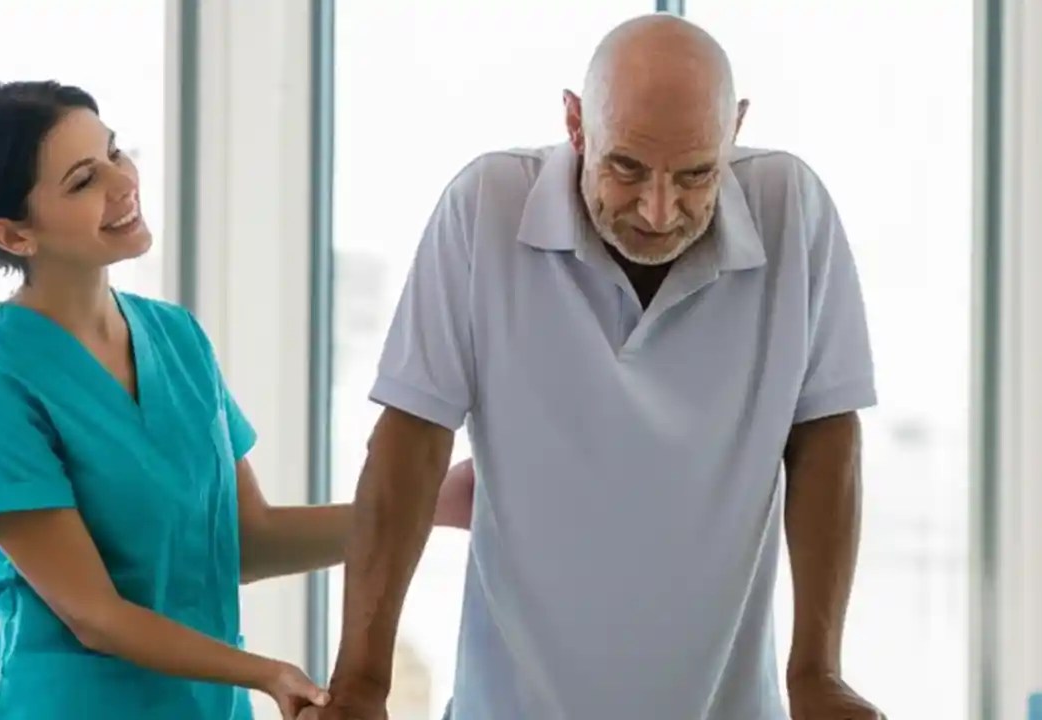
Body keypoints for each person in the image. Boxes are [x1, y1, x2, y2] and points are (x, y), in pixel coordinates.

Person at [312, 13, 886, 720]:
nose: (658, 209)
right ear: (576, 125)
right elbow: (409, 444)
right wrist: (364, 681)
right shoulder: (485, 208)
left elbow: (826, 436)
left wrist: (817, 672)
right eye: (627, 169)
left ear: (734, 130)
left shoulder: (792, 209)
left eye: (696, 175)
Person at [0, 80, 473, 720]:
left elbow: (249, 541)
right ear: (15, 235)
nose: (123, 181)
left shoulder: (176, 339)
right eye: (83, 180)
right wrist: (266, 672)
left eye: (114, 153)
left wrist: (431, 504)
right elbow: (94, 615)